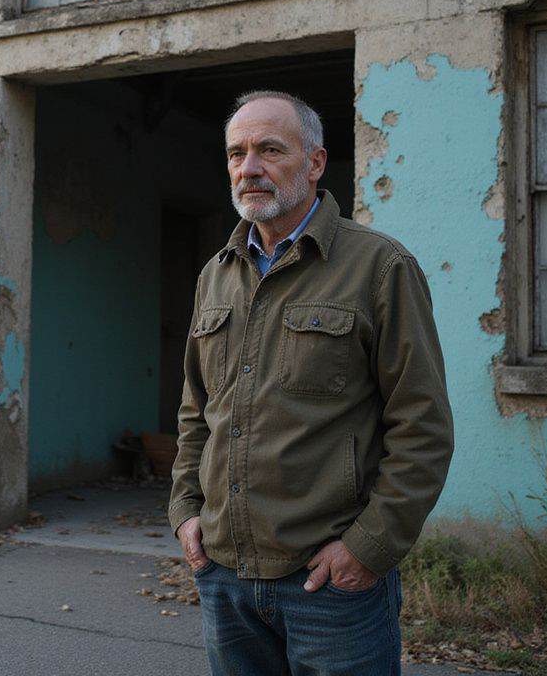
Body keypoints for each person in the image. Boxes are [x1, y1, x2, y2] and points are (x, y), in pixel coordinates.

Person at [169, 91, 454, 676]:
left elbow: (422, 426)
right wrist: (185, 510)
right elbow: (198, 412)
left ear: (316, 162)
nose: (249, 168)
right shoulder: (214, 276)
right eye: (236, 153)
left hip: (330, 586)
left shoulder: (379, 267)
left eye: (270, 150)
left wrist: (368, 549)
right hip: (225, 578)